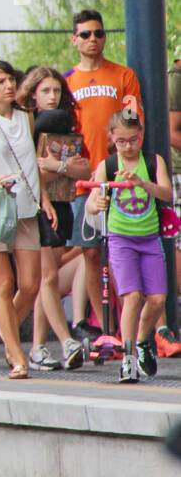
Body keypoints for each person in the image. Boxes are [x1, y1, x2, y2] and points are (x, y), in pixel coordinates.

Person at [0, 59, 57, 380]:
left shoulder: (25, 117)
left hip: (25, 209)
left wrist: (45, 199)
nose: (8, 86)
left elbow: (31, 162)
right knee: (2, 283)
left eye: (10, 80)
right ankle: (17, 356)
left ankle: (7, 333)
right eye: (0, 81)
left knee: (30, 284)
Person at [65, 9, 141, 340]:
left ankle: (132, 324)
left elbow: (135, 122)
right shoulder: (68, 82)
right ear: (74, 39)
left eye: (98, 33)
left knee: (124, 249)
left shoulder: (122, 75)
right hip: (85, 179)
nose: (92, 39)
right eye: (85, 34)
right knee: (91, 252)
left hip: (118, 175)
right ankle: (104, 324)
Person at [85, 111, 172, 383]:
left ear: (141, 136)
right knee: (132, 296)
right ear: (112, 138)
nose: (127, 146)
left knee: (157, 299)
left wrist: (142, 183)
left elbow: (168, 194)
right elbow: (91, 200)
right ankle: (129, 357)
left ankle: (144, 339)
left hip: (149, 237)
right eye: (121, 141)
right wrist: (95, 204)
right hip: (121, 239)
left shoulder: (152, 161)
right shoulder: (108, 165)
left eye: (132, 140)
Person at [18, 66, 89, 371]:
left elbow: (84, 168)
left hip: (62, 203)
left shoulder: (66, 125)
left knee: (43, 280)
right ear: (33, 93)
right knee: (46, 276)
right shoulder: (24, 124)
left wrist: (59, 166)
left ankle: (36, 346)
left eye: (57, 91)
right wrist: (61, 167)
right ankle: (66, 340)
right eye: (45, 90)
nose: (52, 96)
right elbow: (31, 172)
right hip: (35, 206)